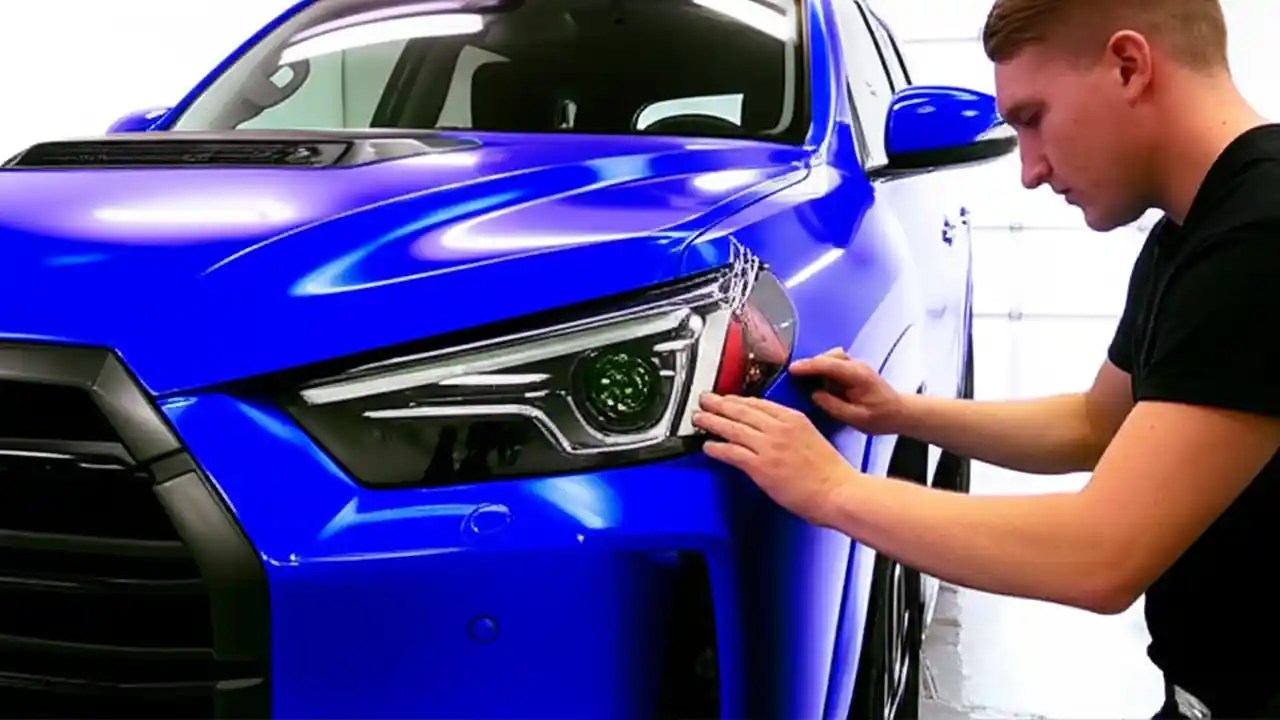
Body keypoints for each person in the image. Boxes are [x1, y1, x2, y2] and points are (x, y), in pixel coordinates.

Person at [690, 0, 1280, 716]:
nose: (1029, 170)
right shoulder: (1192, 234)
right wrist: (899, 412)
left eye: (1033, 117)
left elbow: (1100, 555)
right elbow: (1097, 423)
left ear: (1129, 65)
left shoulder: (1260, 237)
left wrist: (832, 491)